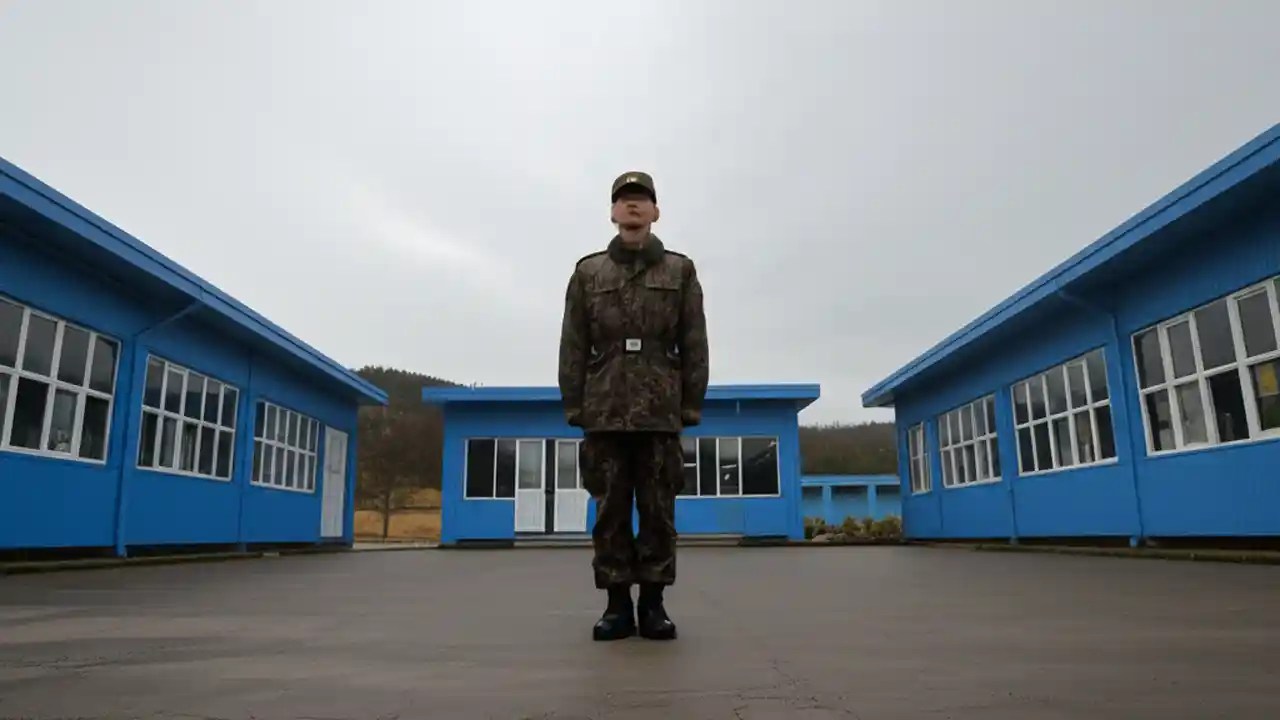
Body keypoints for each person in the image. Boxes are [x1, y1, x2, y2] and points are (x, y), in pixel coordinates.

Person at [557, 171, 710, 641]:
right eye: (625, 200)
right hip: (604, 410)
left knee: (659, 509)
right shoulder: (589, 272)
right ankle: (616, 605)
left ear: (655, 211)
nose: (633, 207)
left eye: (641, 200)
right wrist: (574, 403)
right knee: (611, 511)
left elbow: (694, 342)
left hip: (659, 411)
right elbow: (573, 344)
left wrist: (690, 404)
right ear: (612, 212)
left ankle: (654, 605)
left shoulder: (680, 271)